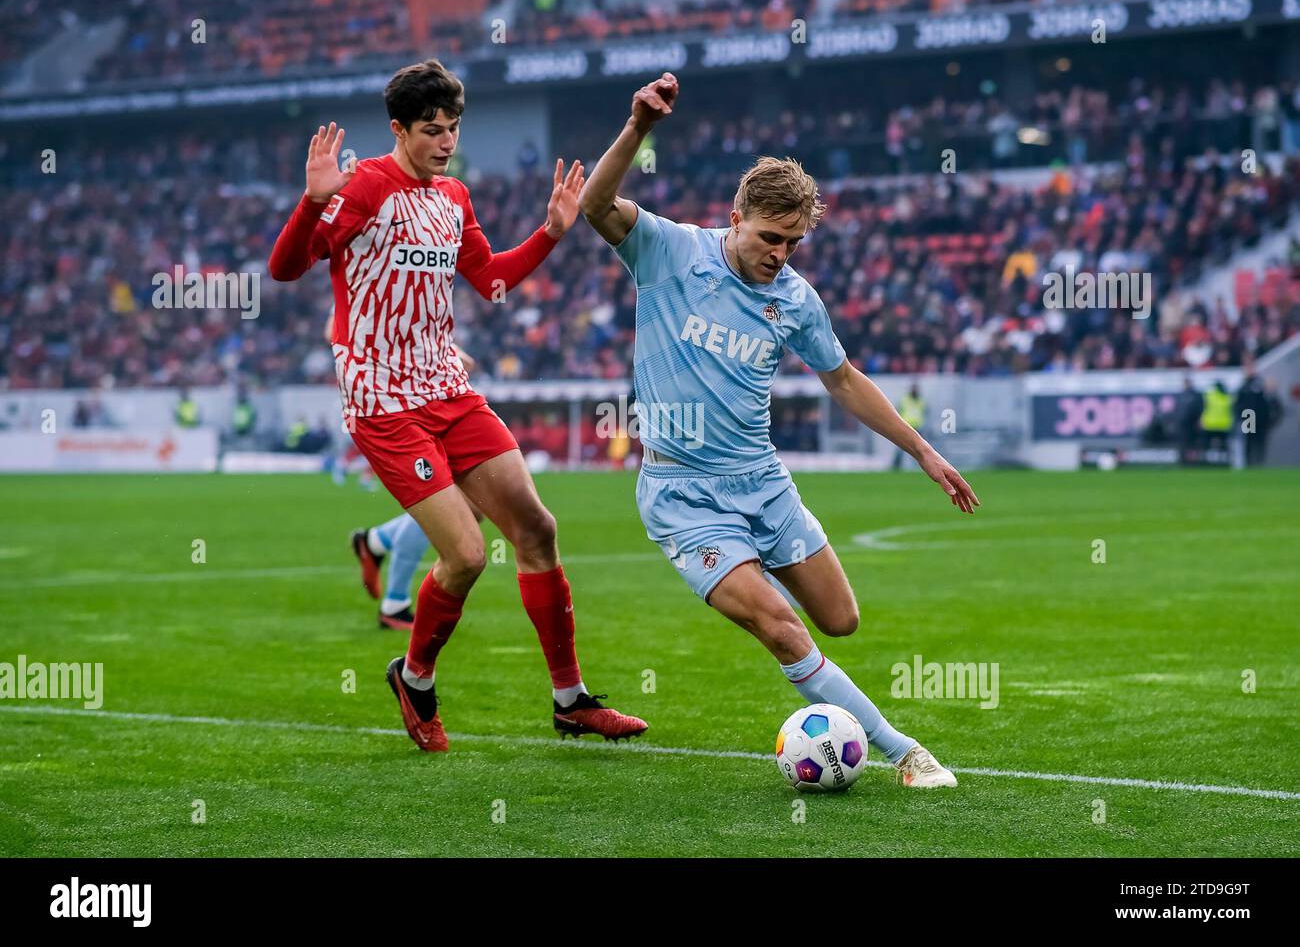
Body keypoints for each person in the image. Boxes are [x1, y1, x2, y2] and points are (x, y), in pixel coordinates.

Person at [580, 72, 978, 788]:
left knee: (839, 619)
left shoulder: (794, 298)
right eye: (770, 238)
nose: (780, 254)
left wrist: (924, 451)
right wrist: (639, 126)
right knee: (784, 628)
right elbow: (595, 204)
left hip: (762, 483)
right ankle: (904, 752)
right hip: (683, 494)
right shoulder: (669, 253)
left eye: (794, 243)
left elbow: (844, 379)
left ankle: (775, 613)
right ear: (735, 215)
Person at [268, 59, 646, 751]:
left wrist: (552, 231)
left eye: (452, 129)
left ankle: (570, 701)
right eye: (432, 130)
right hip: (384, 400)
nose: (445, 142)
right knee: (468, 554)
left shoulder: (454, 198)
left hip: (449, 386)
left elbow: (492, 279)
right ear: (398, 129)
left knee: (535, 526)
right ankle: (414, 678)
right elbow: (286, 268)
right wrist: (313, 201)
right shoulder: (364, 188)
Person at [351, 346, 484, 631]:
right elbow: (337, 328)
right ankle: (394, 603)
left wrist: (443, 351)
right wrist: (439, 352)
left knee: (471, 504)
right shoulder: (355, 303)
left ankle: (376, 541)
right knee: (445, 502)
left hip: (435, 393)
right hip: (402, 405)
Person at [892, 383, 925, 470]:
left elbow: (923, 413)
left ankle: (923, 466)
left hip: (917, 427)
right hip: (906, 426)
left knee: (921, 449)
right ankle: (896, 466)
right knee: (901, 448)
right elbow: (897, 412)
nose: (915, 391)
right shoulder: (904, 400)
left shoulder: (921, 400)